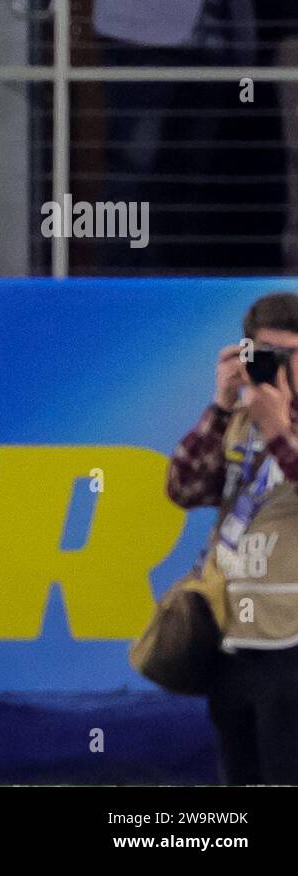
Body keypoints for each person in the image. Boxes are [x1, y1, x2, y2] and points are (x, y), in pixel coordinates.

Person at [166, 292, 298, 784]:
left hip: (292, 637)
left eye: (290, 356)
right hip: (232, 629)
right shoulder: (239, 421)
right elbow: (184, 489)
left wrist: (277, 427)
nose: (279, 369)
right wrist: (221, 407)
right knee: (240, 775)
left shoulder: (269, 422)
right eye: (266, 356)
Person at [91, 0, 257, 271]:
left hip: (217, 38)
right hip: (143, 35)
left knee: (190, 179)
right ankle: (118, 288)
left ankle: (173, 291)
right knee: (134, 170)